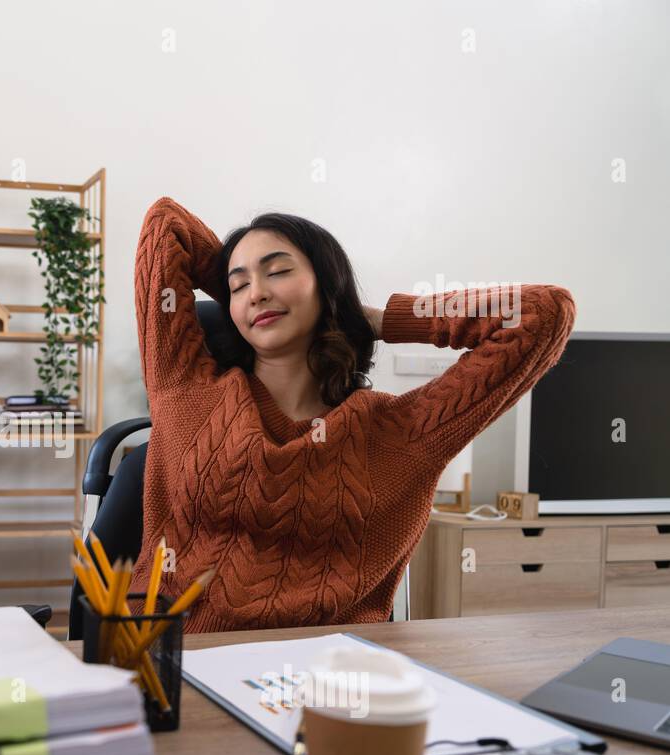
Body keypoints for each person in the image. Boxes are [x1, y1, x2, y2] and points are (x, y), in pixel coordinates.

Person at [127, 197, 575, 633]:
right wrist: (242, 285)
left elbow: (543, 312)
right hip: (170, 658)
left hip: (332, 676)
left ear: (328, 287)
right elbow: (167, 225)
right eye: (238, 284)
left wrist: (377, 319)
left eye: (279, 271)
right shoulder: (185, 390)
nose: (257, 292)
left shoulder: (401, 433)